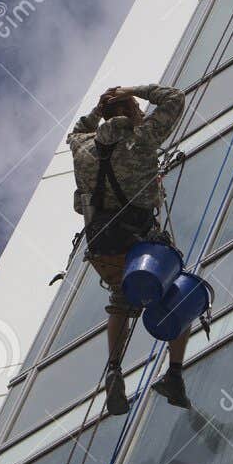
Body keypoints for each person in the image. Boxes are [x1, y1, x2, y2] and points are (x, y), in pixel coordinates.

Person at [68, 83, 191, 415]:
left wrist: (101, 106)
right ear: (132, 113)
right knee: (178, 290)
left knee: (121, 301)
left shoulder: (82, 147)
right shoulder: (142, 139)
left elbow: (78, 129)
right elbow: (174, 97)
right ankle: (175, 374)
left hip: (103, 245)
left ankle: (113, 367)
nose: (142, 113)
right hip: (141, 243)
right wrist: (130, 89)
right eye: (138, 109)